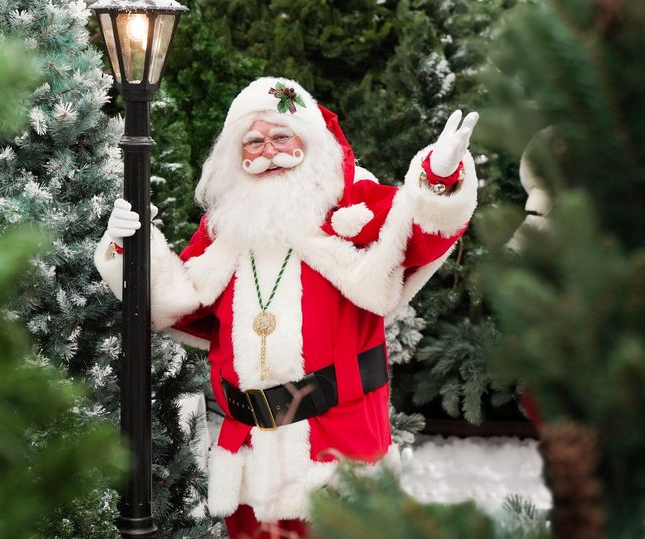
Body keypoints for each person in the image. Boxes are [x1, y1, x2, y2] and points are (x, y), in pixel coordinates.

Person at [95, 77, 479, 539]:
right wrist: (127, 248)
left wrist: (439, 178)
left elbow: (419, 233)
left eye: (281, 137)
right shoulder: (226, 229)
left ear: (310, 142)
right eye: (254, 142)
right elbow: (176, 301)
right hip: (250, 454)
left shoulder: (352, 207)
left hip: (338, 448)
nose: (268, 152)